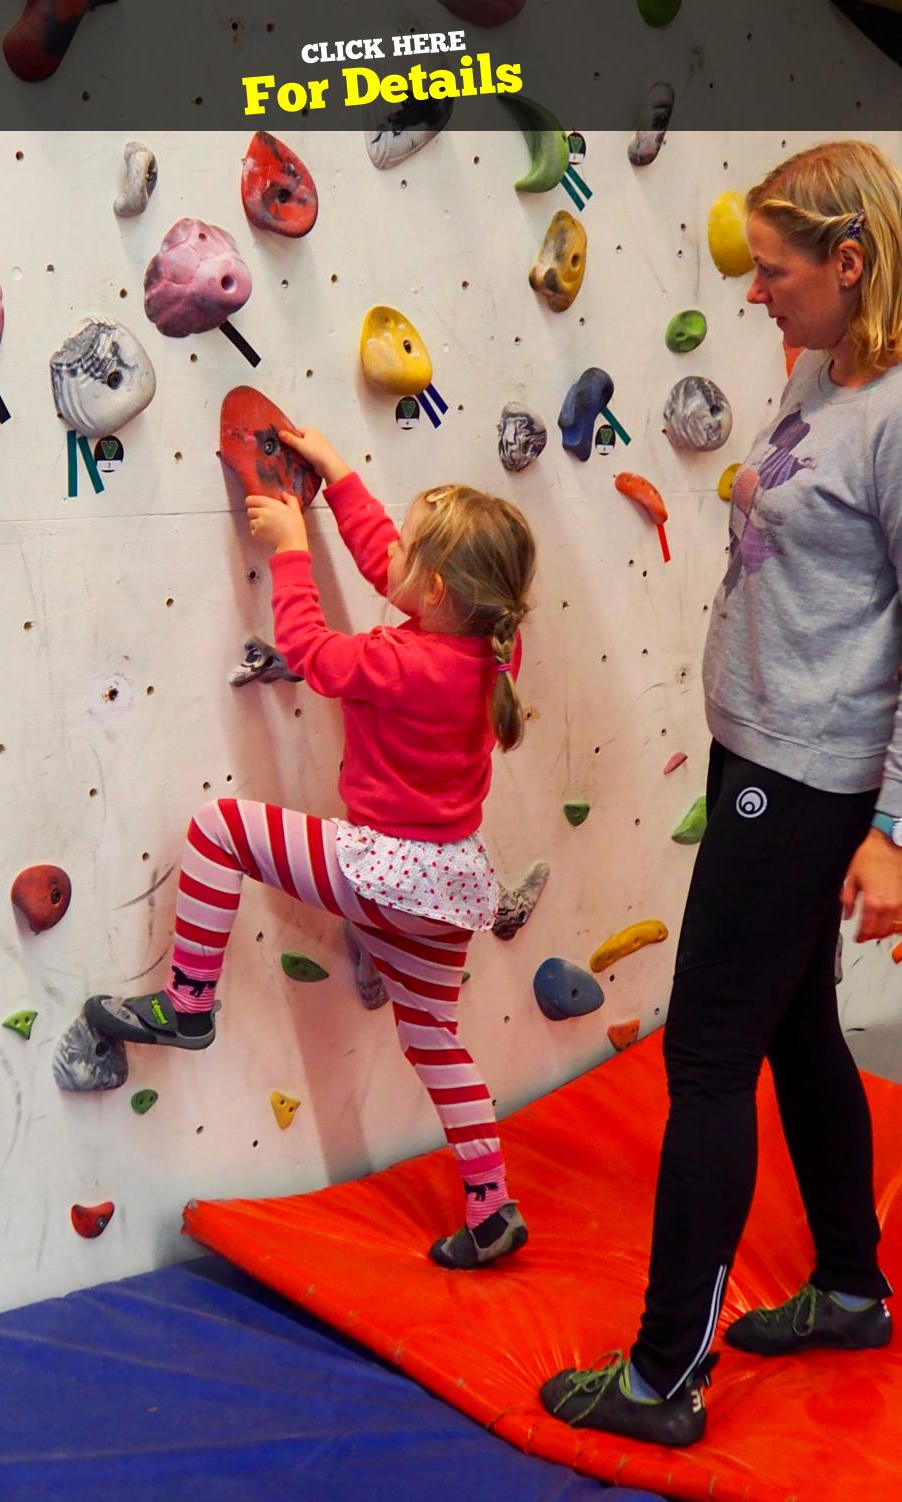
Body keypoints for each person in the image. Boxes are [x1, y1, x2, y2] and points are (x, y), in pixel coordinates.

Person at [541, 138, 902, 1446]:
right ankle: (854, 1288)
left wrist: (892, 834)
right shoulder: (824, 362)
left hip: (810, 777)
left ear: (845, 262)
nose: (756, 296)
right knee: (793, 1019)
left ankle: (655, 1377)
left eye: (774, 273)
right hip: (764, 749)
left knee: (704, 1055)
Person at [85, 427, 538, 1269]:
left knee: (221, 828)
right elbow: (389, 567)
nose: (387, 555)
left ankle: (187, 1004)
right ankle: (491, 1207)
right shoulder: (486, 646)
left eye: (407, 551)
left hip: (385, 875)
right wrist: (337, 477)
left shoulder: (401, 660)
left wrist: (291, 551)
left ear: (432, 590)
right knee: (435, 1039)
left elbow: (311, 654)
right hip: (449, 890)